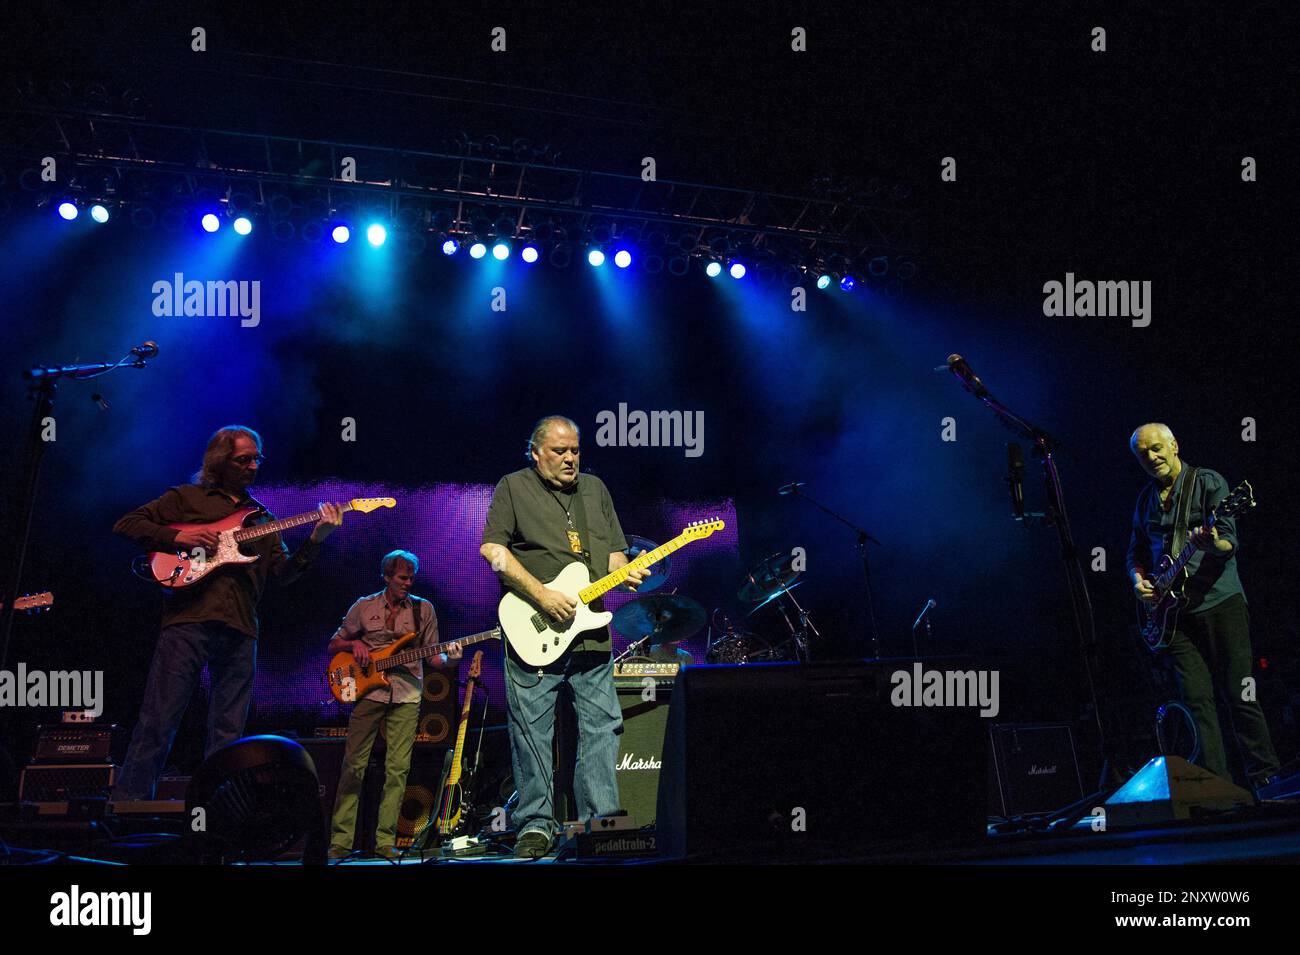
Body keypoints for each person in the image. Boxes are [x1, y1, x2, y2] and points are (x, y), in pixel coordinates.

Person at [112, 425, 343, 800]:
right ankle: (127, 809)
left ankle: (217, 815)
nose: (253, 465)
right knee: (159, 720)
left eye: (257, 459)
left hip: (240, 627)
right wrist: (178, 537)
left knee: (228, 733)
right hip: (188, 621)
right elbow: (127, 524)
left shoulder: (262, 518)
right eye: (243, 459)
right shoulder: (187, 498)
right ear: (220, 460)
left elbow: (283, 574)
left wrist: (315, 541)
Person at [480, 415, 650, 858]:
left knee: (603, 725)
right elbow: (493, 552)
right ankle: (535, 825)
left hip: (589, 632)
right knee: (532, 732)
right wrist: (541, 595)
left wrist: (626, 573)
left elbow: (613, 555)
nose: (570, 458)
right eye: (559, 451)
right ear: (535, 453)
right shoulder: (513, 487)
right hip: (532, 627)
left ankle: (602, 822)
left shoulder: (596, 490)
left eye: (575, 450)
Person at [1126, 422, 1280, 789]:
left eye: (1157, 448)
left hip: (1219, 602)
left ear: (1174, 445)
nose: (1152, 457)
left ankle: (1266, 779)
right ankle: (1218, 787)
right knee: (1196, 701)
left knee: (1238, 690)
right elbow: (1134, 553)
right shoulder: (1145, 499)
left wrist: (1210, 544)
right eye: (1143, 453)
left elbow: (1228, 543)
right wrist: (1138, 582)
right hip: (1172, 616)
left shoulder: (1208, 482)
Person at [326, 550, 461, 859]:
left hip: (407, 694)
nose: (408, 583)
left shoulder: (423, 609)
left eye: (411, 578)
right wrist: (354, 644)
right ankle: (340, 842)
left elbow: (434, 657)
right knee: (353, 767)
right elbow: (334, 643)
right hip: (368, 692)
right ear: (387, 577)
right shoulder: (363, 606)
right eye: (402, 578)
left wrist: (451, 659)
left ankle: (385, 843)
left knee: (397, 770)